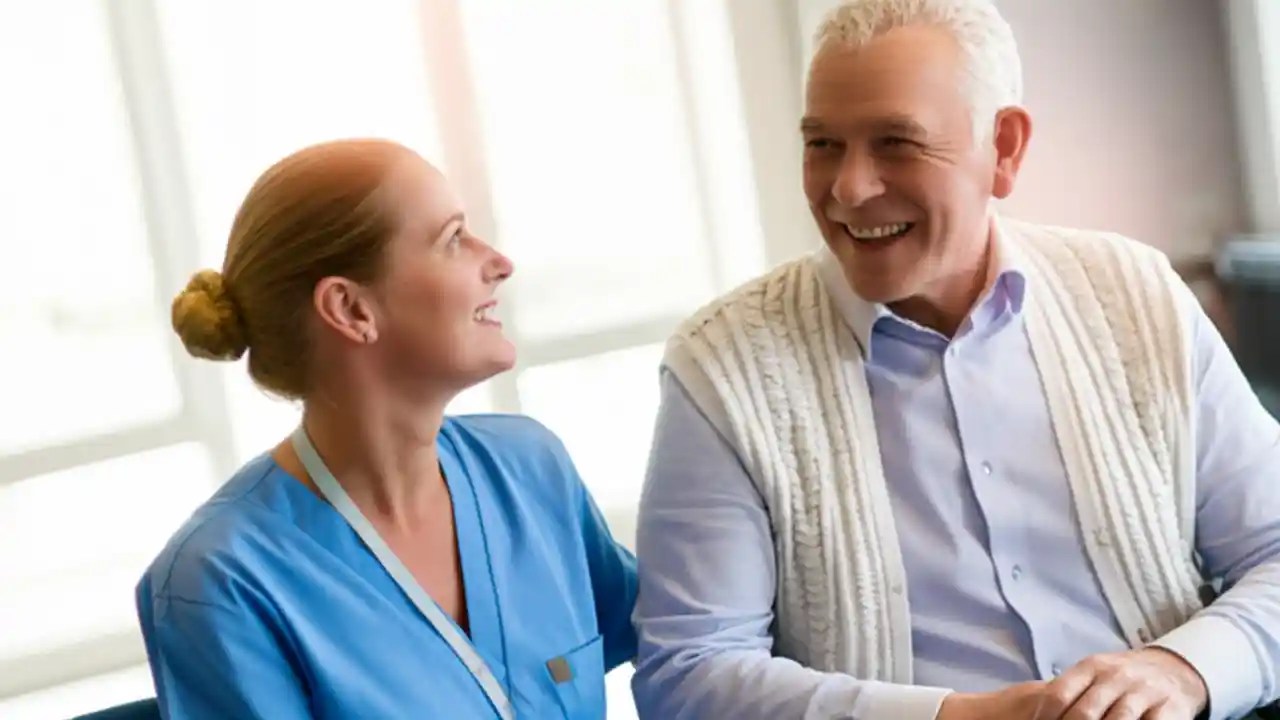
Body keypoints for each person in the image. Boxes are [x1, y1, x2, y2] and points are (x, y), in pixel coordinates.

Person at [631, 1, 1280, 719]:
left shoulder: (1135, 293)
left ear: (1003, 148)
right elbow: (690, 674)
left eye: (895, 143)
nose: (848, 188)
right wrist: (961, 717)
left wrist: (1181, 670)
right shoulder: (722, 367)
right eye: (822, 145)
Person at [136, 138, 637, 719]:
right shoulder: (220, 583)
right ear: (351, 310)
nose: (499, 262)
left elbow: (695, 640)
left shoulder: (529, 472)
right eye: (453, 239)